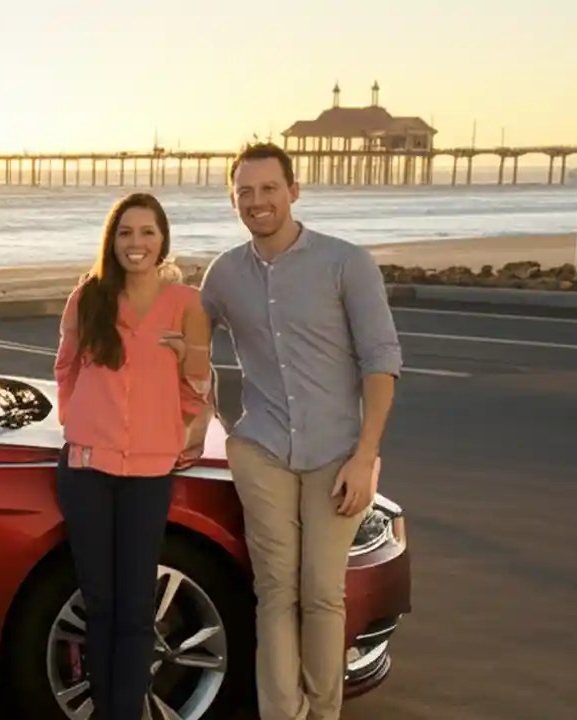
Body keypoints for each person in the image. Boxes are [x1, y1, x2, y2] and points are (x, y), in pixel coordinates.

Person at [198, 143, 402, 720]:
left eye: (268, 189)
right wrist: (202, 414)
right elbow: (186, 339)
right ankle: (281, 713)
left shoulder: (346, 263)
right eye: (245, 192)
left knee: (320, 591)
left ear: (294, 190)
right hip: (260, 447)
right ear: (232, 200)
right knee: (275, 591)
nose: (257, 202)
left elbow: (381, 362)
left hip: (336, 453)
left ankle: (323, 711)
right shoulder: (224, 274)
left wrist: (367, 457)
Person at [53, 191, 213, 720]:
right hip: (86, 470)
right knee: (98, 602)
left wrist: (177, 425)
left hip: (149, 471)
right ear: (112, 239)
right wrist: (77, 422)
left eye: (147, 232)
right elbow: (66, 368)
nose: (136, 243)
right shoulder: (89, 297)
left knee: (136, 606)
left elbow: (198, 382)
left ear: (163, 238)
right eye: (126, 233)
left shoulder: (186, 304)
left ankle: (125, 712)